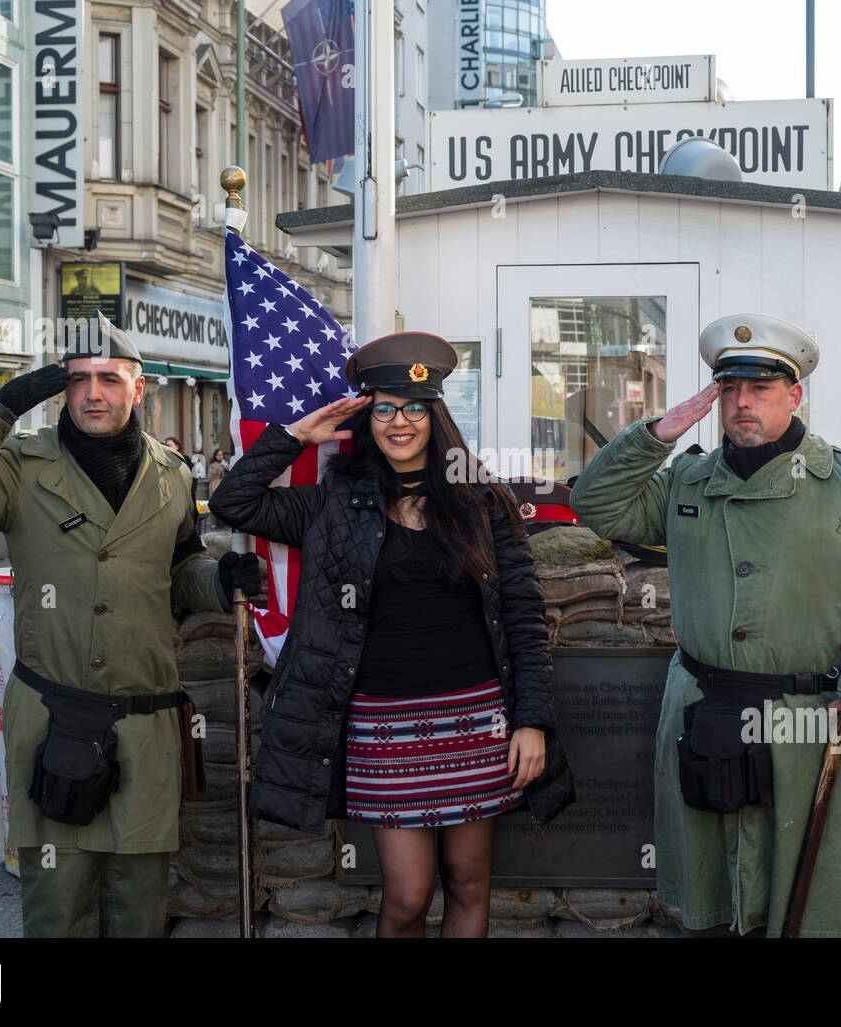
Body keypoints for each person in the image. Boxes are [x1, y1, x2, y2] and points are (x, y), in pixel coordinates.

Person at [570, 313, 841, 938]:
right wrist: (659, 433)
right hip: (707, 718)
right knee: (715, 908)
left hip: (811, 723)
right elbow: (596, 503)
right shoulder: (687, 478)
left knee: (816, 907)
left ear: (795, 396)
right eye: (730, 389)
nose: (742, 403)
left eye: (760, 389)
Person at [210, 331, 574, 938]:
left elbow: (524, 620)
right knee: (407, 897)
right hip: (381, 728)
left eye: (412, 407)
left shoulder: (483, 502)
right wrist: (297, 436)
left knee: (467, 884)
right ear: (366, 416)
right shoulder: (334, 504)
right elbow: (233, 502)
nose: (397, 422)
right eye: (382, 408)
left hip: (477, 721)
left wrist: (531, 720)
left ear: (435, 415)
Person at [0, 310, 260, 938]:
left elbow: (179, 569)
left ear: (139, 386)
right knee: (59, 908)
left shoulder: (172, 474)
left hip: (146, 725)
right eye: (76, 380)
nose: (92, 393)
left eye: (108, 378)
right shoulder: (21, 467)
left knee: (139, 910)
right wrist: (5, 404)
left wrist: (221, 581)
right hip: (55, 719)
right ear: (60, 389)